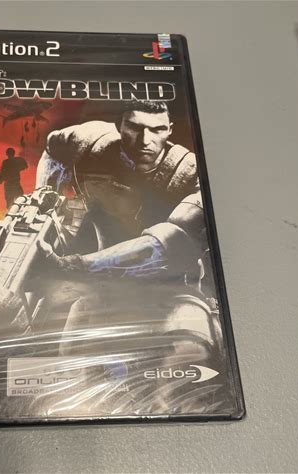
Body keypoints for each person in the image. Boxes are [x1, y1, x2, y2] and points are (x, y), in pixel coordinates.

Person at [35, 100, 218, 361]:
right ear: (119, 125)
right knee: (69, 358)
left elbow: (166, 244)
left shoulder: (192, 172)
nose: (145, 140)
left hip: (173, 292)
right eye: (134, 127)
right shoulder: (88, 140)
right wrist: (44, 205)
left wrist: (69, 265)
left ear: (169, 130)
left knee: (190, 353)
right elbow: (53, 149)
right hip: (103, 289)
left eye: (157, 129)